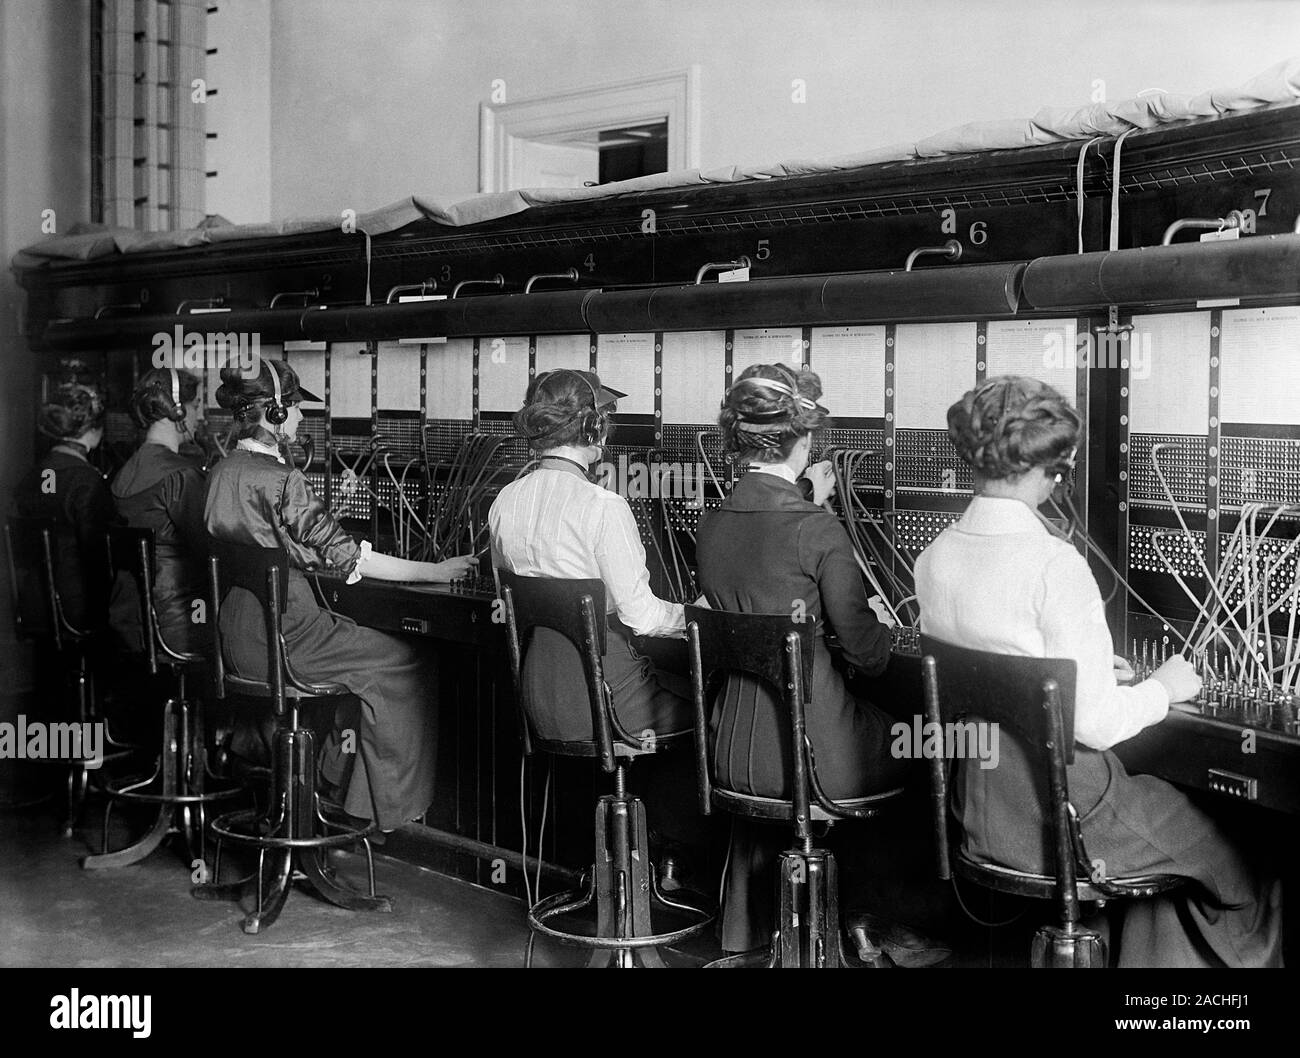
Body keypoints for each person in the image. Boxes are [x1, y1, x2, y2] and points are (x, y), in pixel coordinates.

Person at [914, 374, 1282, 967]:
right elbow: (1099, 727)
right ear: (1053, 472)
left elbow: (997, 660)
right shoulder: (1055, 566)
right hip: (1073, 821)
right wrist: (1165, 687)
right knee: (1243, 856)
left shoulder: (935, 558)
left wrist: (1068, 675)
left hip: (980, 815)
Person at [206, 360, 476, 830]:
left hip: (235, 638)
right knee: (407, 659)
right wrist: (437, 569)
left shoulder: (220, 471)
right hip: (288, 636)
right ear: (274, 412)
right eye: (293, 409)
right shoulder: (281, 479)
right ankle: (377, 810)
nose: (301, 420)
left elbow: (264, 544)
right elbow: (353, 558)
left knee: (360, 661)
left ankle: (336, 787)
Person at [696, 363, 907, 954]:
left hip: (730, 753)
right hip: (815, 759)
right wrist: (882, 629)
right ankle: (872, 928)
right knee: (927, 744)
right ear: (806, 439)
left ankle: (757, 934)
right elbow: (869, 657)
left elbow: (766, 567)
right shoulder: (818, 529)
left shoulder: (711, 525)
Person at [488, 368, 704, 876]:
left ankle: (631, 860)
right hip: (608, 703)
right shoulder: (603, 507)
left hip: (539, 699)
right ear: (592, 432)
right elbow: (642, 615)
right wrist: (697, 614)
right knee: (714, 709)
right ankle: (659, 859)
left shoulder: (505, 502)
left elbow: (506, 598)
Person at [109, 367, 208, 655]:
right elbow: (211, 549)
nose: (198, 416)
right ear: (177, 410)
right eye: (196, 406)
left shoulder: (124, 472)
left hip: (130, 620)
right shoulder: (180, 477)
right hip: (180, 624)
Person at [12, 383, 115, 631]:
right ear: (94, 429)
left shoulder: (31, 476)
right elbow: (98, 559)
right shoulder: (86, 480)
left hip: (34, 602)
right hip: (77, 607)